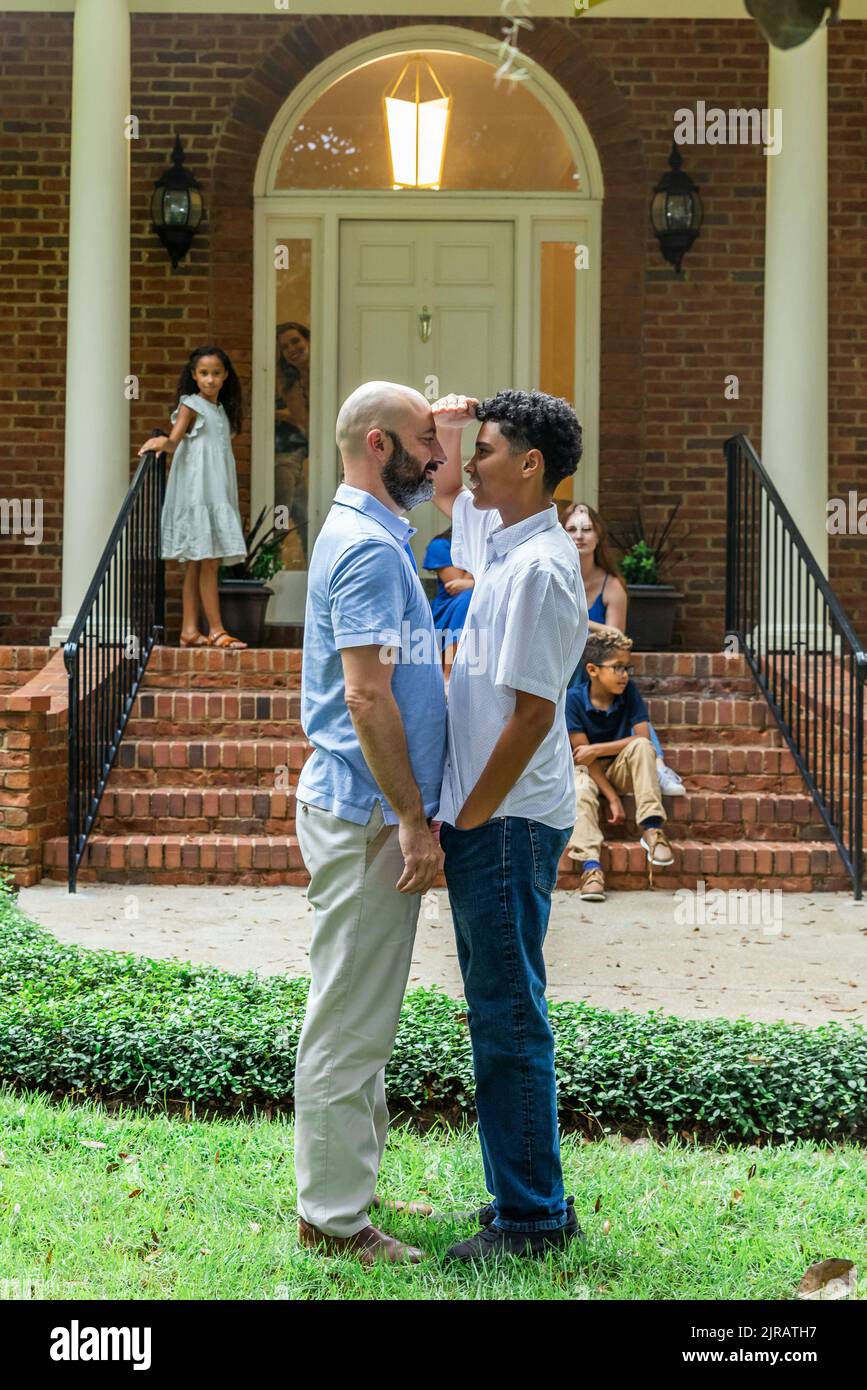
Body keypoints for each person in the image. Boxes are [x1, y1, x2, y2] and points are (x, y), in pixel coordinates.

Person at [430, 389, 588, 1264]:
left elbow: (532, 714)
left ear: (531, 467)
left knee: (507, 1016)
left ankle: (530, 1218)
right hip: (494, 818)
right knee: (500, 1008)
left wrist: (469, 814)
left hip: (507, 821)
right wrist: (446, 420)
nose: (472, 462)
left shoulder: (539, 569)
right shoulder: (507, 541)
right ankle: (525, 1203)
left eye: (488, 449)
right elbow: (445, 484)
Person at [293, 380, 447, 1266]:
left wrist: (446, 433)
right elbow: (364, 692)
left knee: (363, 1015)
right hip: (364, 816)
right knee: (348, 1019)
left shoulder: (377, 533)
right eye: (426, 441)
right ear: (381, 446)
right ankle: (333, 1219)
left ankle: (347, 1187)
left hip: (362, 810)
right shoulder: (369, 550)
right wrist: (410, 819)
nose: (438, 457)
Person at [563, 501, 686, 798]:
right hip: (562, 665)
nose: (579, 535)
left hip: (594, 667)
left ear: (598, 536)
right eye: (572, 529)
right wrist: (593, 627)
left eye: (587, 529)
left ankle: (657, 764)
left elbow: (616, 641)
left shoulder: (611, 583)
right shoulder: (556, 577)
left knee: (613, 676)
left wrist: (580, 623)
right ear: (560, 534)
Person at [139, 345, 248, 650]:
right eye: (204, 373)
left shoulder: (221, 411)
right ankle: (215, 630)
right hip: (198, 494)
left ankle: (189, 630)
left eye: (216, 373)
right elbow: (175, 441)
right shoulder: (191, 404)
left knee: (198, 564)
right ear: (193, 376)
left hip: (216, 491)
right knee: (207, 561)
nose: (210, 379)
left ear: (225, 376)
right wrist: (160, 441)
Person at [566, 630, 676, 901]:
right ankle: (591, 868)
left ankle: (652, 828)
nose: (625, 674)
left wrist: (599, 748)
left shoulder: (629, 693)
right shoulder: (573, 700)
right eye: (617, 667)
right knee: (579, 788)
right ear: (592, 670)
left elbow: (642, 737)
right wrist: (613, 798)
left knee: (642, 746)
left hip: (620, 767)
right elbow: (584, 758)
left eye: (627, 667)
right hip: (589, 773)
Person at [274, 321, 310, 564]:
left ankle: (314, 569)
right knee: (282, 512)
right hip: (289, 452)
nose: (292, 349)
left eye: (295, 341)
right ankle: (270, 567)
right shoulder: (291, 381)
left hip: (307, 452)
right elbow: (304, 421)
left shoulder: (328, 369)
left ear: (307, 339)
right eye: (285, 347)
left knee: (305, 514)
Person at [421, 526, 474, 675]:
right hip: (450, 608)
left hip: (484, 605)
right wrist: (482, 551)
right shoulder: (441, 545)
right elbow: (457, 586)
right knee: (469, 598)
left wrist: (473, 583)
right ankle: (448, 676)